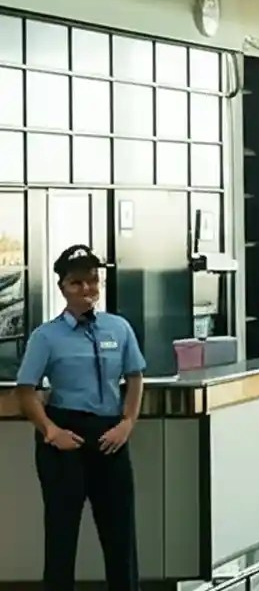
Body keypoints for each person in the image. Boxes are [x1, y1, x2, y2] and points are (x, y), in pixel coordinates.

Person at [16, 244, 146, 591]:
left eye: (93, 281)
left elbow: (135, 377)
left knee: (120, 534)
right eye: (77, 283)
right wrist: (50, 431)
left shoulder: (118, 328)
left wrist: (128, 423)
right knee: (61, 535)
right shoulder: (47, 336)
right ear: (62, 286)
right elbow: (25, 390)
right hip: (64, 436)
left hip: (110, 434)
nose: (87, 290)